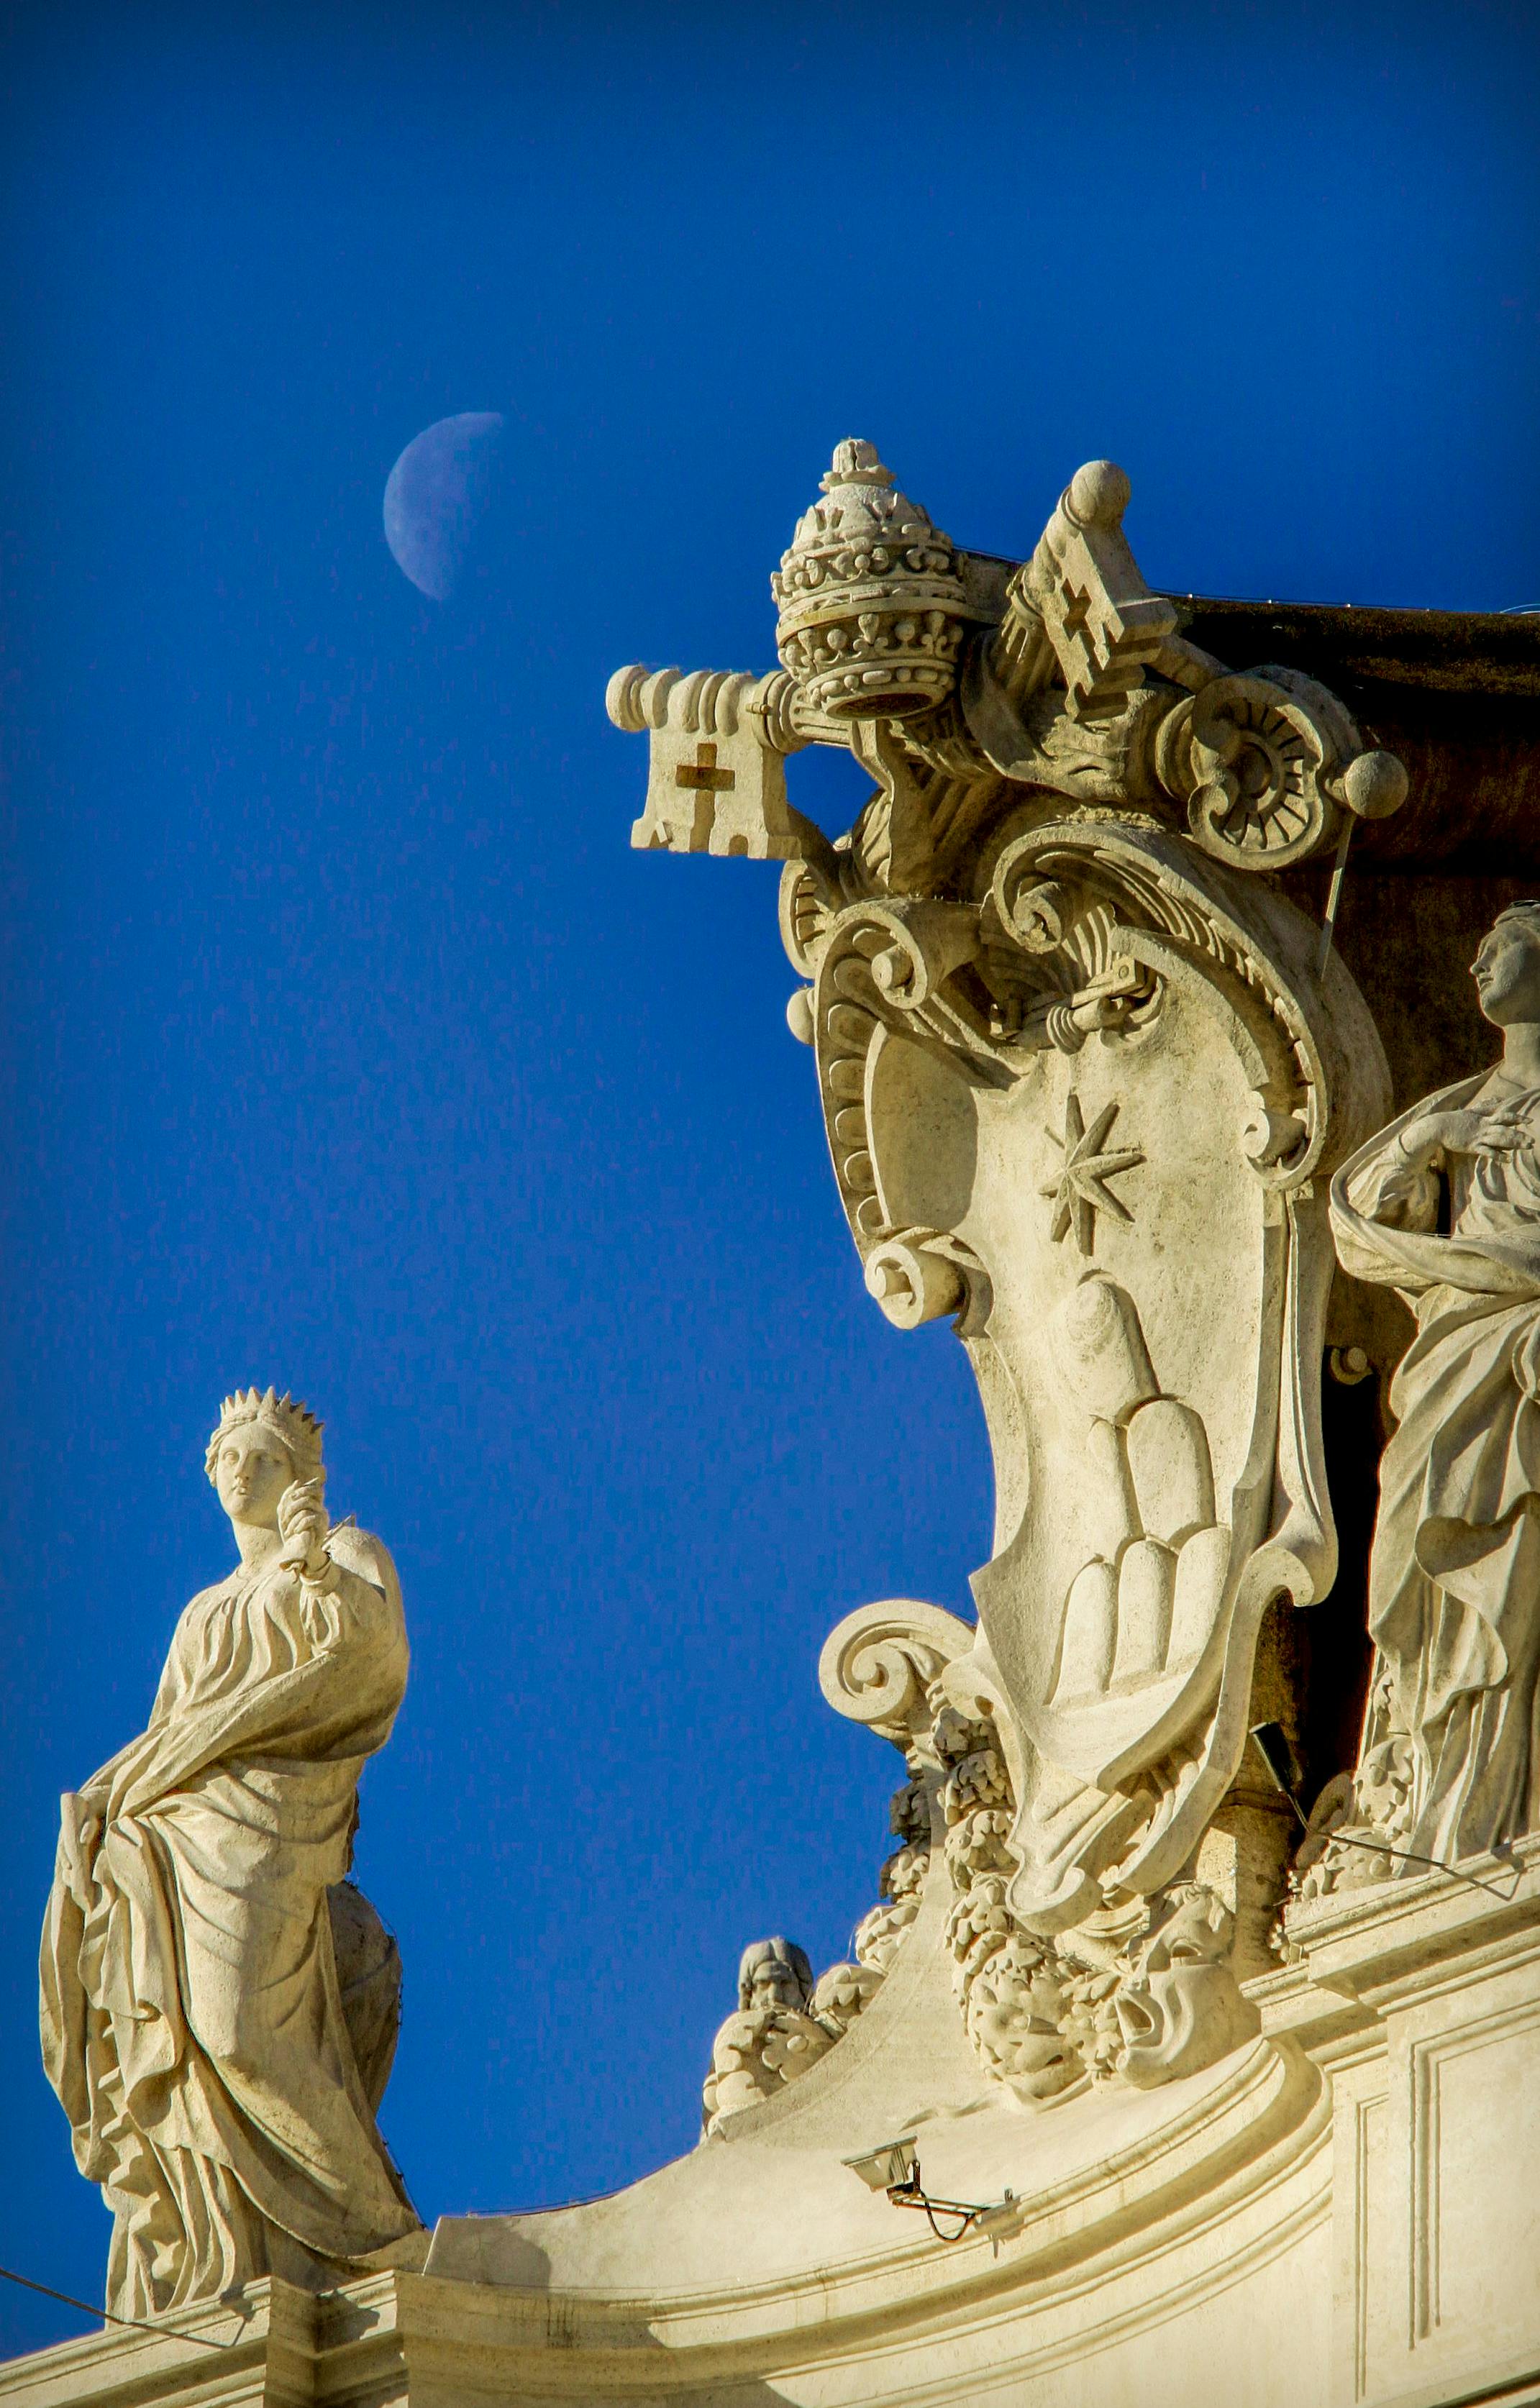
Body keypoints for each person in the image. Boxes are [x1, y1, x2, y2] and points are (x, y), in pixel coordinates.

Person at [40, 1387, 422, 2319]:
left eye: (262, 1457)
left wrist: (315, 1573)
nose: (242, 1471)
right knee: (191, 2036)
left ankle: (381, 2242)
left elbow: (379, 1664)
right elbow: (169, 1735)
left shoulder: (343, 1552)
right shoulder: (200, 1612)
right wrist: (106, 1803)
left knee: (240, 2032)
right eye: (228, 1459)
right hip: (173, 1834)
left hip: (273, 1823)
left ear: (301, 1476)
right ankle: (234, 2252)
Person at [1329, 904, 1540, 1868]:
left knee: (1511, 1561)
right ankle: (1443, 1785)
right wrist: (1430, 1141)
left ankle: (1503, 1798)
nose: (1475, 958)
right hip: (1453, 1349)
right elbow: (1363, 1221)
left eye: (1501, 940)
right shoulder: (1458, 1104)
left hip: (1520, 1345)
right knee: (1418, 1555)